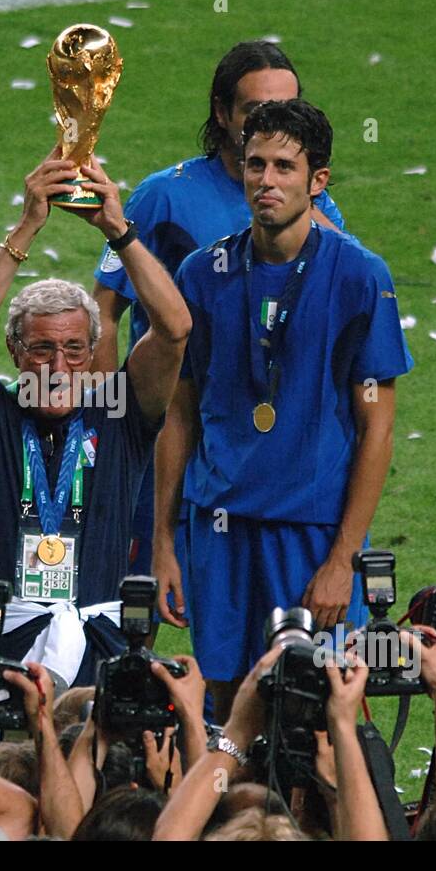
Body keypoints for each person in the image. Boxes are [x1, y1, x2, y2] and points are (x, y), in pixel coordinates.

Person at [154, 99, 413, 718]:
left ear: (317, 182)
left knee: (324, 706)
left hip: (311, 532)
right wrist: (165, 542)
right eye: (255, 164)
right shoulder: (202, 273)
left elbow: (377, 428)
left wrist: (343, 561)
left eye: (284, 168)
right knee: (223, 699)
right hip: (218, 526)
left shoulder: (359, 277)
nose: (265, 181)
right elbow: (179, 415)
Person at [0, 147, 190, 738]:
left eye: (75, 350)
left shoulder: (119, 412)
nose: (58, 364)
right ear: (16, 354)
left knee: (101, 785)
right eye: (41, 349)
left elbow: (174, 328)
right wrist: (28, 225)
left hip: (95, 640)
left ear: (94, 355)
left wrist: (118, 231)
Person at [90, 40, 346, 583]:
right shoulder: (163, 198)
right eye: (256, 110)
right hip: (169, 432)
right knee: (134, 598)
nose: (274, 120)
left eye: (288, 107)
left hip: (264, 448)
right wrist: (106, 424)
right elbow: (105, 310)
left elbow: (340, 308)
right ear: (223, 113)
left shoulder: (315, 206)